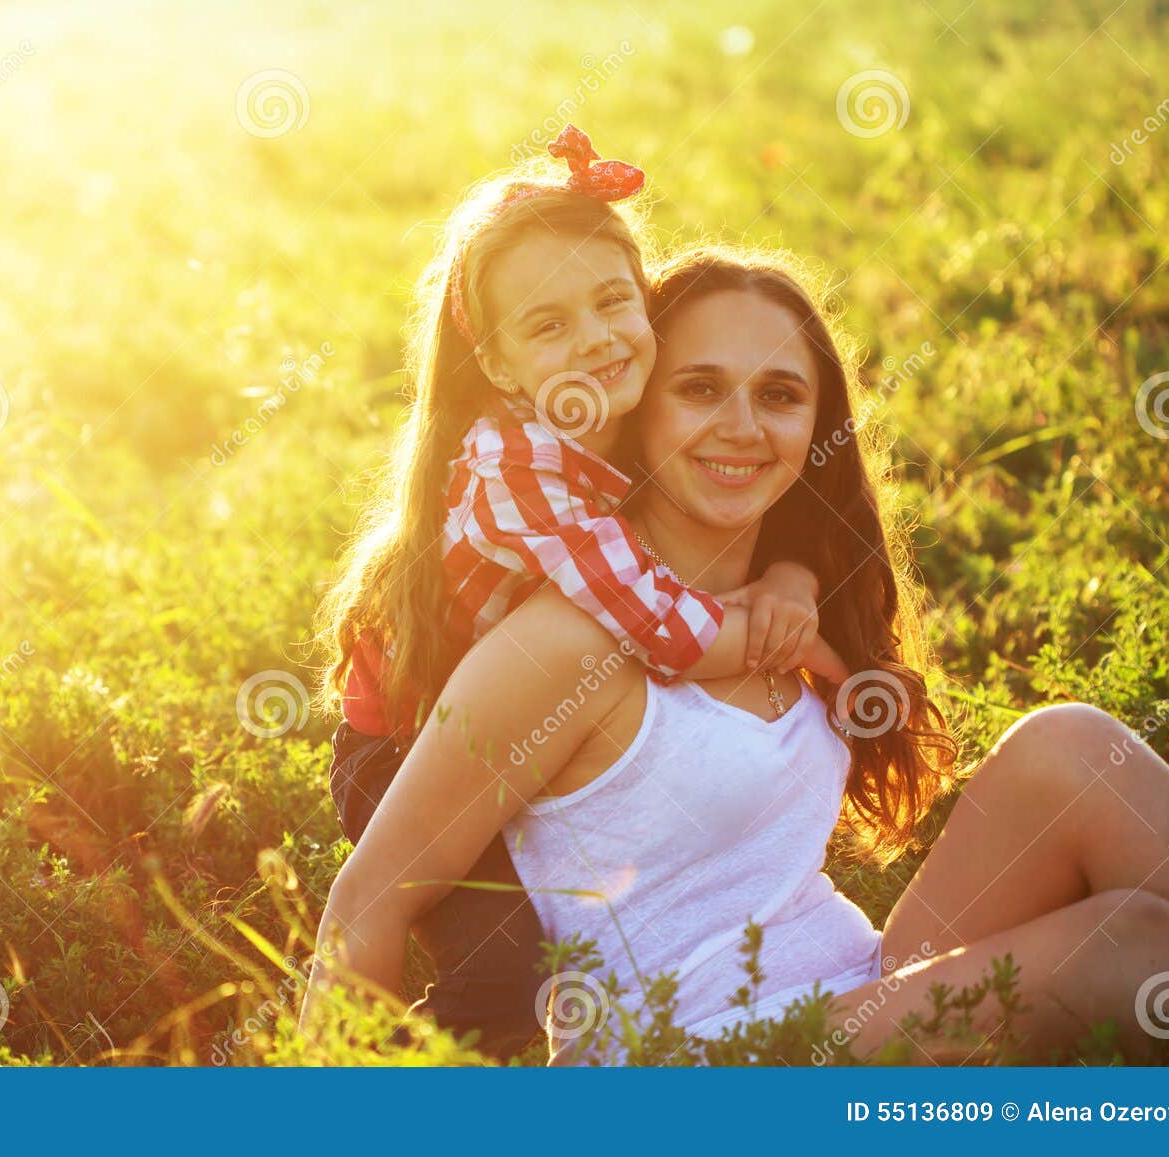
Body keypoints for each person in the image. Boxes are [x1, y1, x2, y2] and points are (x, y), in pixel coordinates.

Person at [301, 244, 1169, 1064]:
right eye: (700, 388)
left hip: (850, 985)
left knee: (1069, 745)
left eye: (779, 395)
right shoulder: (565, 643)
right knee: (1139, 945)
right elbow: (366, 904)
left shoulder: (780, 610)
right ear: (637, 406)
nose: (742, 425)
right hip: (693, 1057)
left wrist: (789, 580)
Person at [312, 128, 840, 1056]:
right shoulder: (523, 470)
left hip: (510, 707)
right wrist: (775, 628)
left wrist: (791, 574)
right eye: (549, 325)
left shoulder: (613, 418)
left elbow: (711, 542)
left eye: (612, 302)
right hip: (401, 737)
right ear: (503, 369)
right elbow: (658, 624)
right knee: (497, 963)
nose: (596, 339)